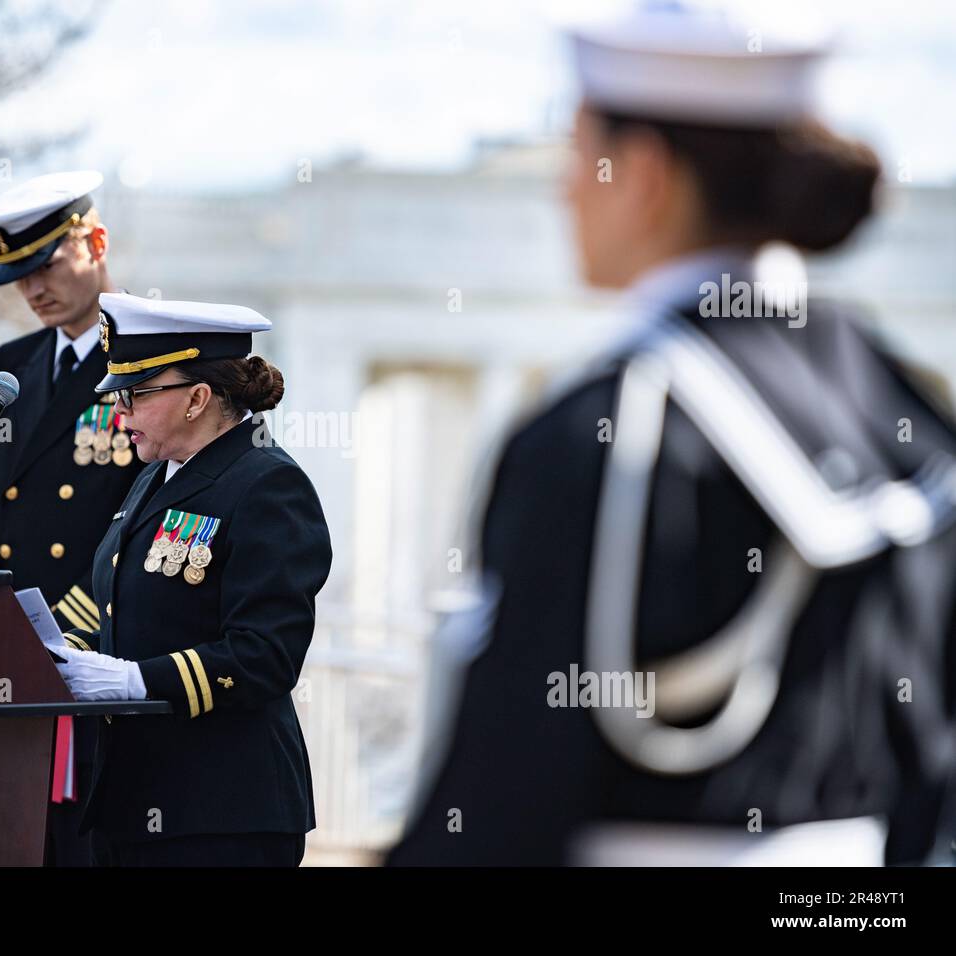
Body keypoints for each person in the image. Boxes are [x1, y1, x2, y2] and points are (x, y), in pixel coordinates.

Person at [388, 3, 956, 866]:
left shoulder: (603, 435)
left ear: (643, 174)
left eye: (577, 151)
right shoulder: (900, 408)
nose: (563, 186)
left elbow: (501, 803)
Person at [48, 292, 332, 866]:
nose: (119, 412)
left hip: (222, 812)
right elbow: (128, 609)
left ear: (198, 398)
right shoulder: (157, 476)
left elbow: (265, 655)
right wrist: (59, 654)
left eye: (135, 394)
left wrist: (133, 682)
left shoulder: (267, 485)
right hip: (133, 801)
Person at [0, 171, 144, 865]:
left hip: (105, 652)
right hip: (15, 658)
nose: (33, 290)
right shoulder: (13, 365)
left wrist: (66, 627)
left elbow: (162, 505)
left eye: (48, 264)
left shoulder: (154, 354)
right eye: (17, 276)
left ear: (97, 242)